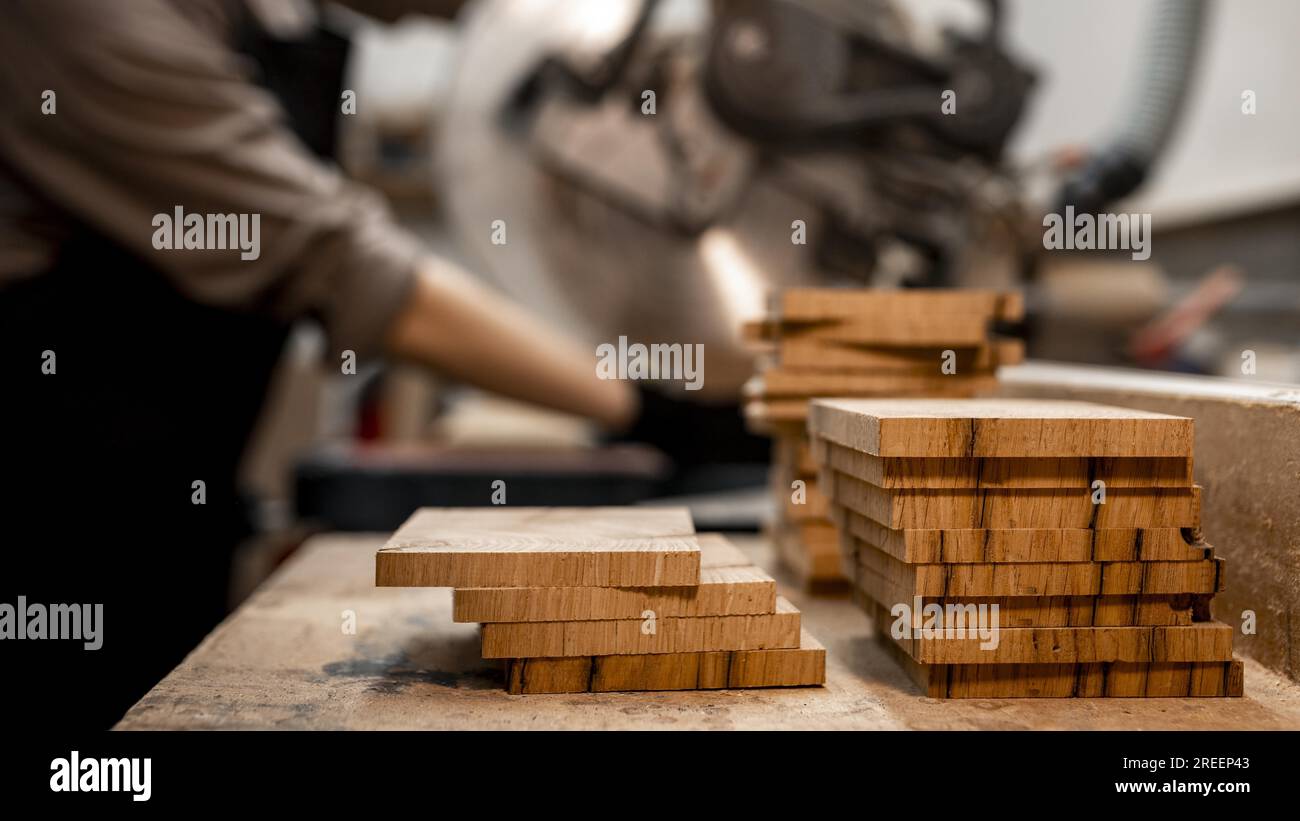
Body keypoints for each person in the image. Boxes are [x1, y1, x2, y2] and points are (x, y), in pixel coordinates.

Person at [0, 0, 636, 729]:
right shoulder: (86, 18)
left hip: (166, 517)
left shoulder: (271, 28)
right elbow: (337, 264)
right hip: (49, 537)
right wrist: (636, 400)